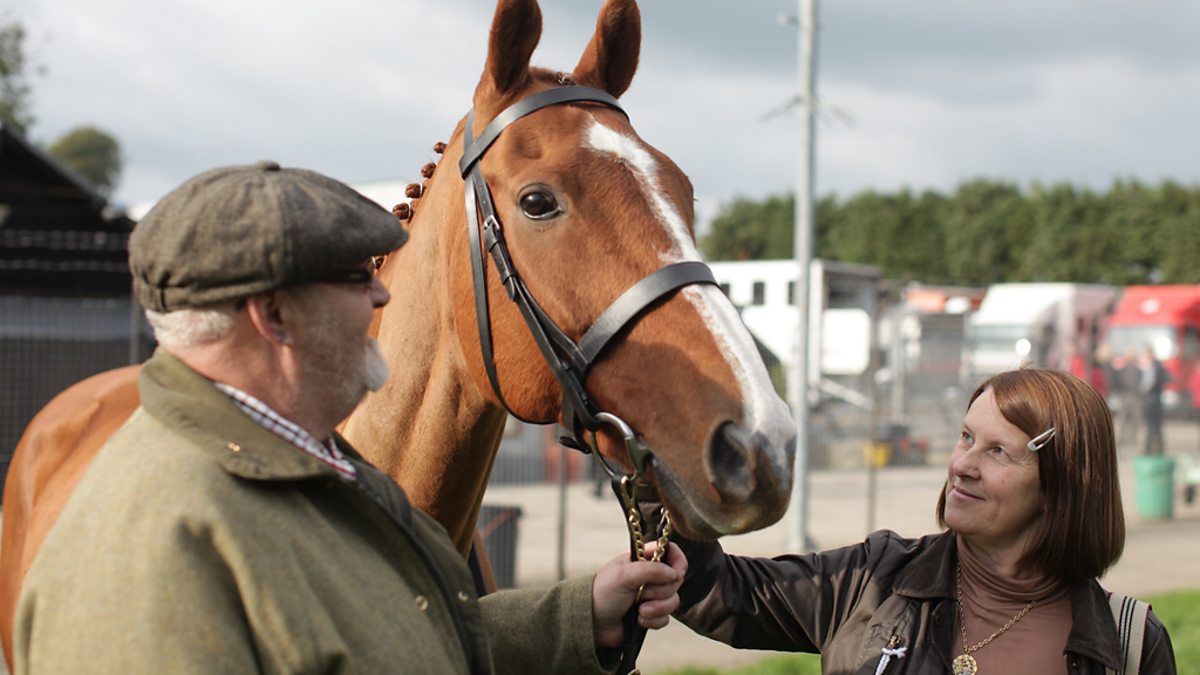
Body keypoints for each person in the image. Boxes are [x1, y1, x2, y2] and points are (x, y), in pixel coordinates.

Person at [13, 161, 685, 673]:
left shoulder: (300, 454)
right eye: (356, 276)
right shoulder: (151, 547)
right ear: (274, 314)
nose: (383, 291)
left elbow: (382, 634)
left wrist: (576, 616)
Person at [671, 368, 1176, 673]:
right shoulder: (875, 580)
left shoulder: (1129, 645)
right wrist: (659, 460)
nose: (961, 465)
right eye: (965, 437)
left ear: (1061, 487)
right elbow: (720, 592)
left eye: (998, 451)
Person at [1137, 347, 1169, 456]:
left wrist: (1142, 391)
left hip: (1152, 399)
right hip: (1154, 399)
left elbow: (1149, 384)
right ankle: (1155, 448)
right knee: (1155, 426)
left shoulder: (1153, 367)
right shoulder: (1156, 366)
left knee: (1152, 425)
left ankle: (1151, 449)